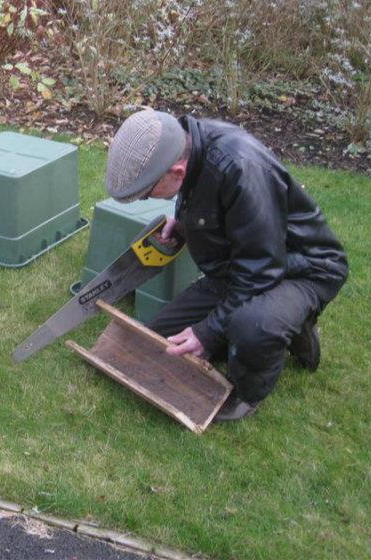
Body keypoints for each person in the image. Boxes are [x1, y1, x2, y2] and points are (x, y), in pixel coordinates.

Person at [104, 109, 348, 422]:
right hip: (246, 265)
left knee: (252, 326)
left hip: (305, 269)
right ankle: (283, 327)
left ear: (177, 171)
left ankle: (248, 391)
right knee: (159, 341)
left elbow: (260, 271)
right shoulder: (190, 145)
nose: (146, 200)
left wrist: (207, 332)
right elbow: (205, 195)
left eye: (147, 193)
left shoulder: (240, 167)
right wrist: (184, 221)